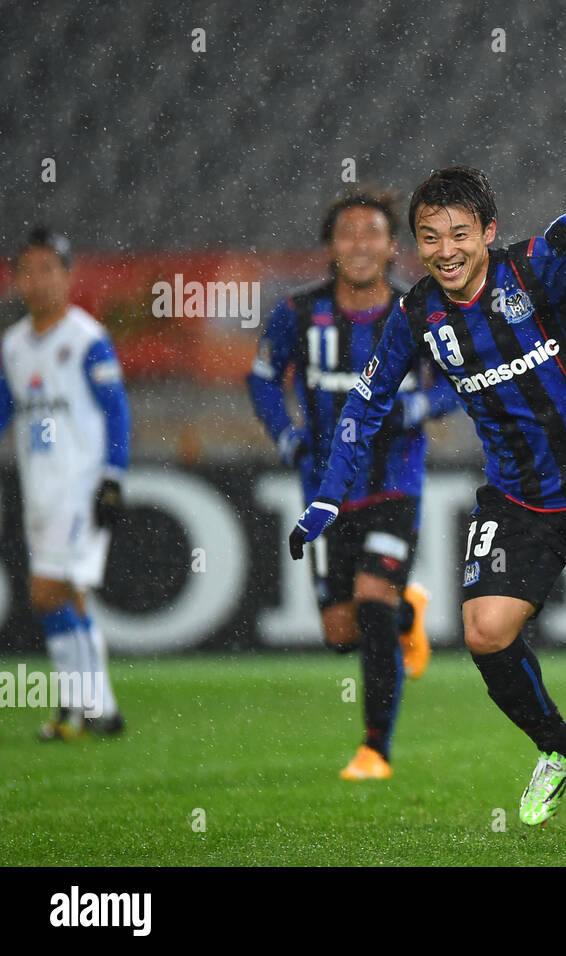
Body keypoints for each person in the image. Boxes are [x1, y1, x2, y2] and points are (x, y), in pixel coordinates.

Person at [289, 166, 566, 831]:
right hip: (516, 500)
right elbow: (368, 400)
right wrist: (326, 497)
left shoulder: (536, 268)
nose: (446, 249)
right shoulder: (419, 311)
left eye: (460, 233)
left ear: (488, 231)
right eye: (430, 237)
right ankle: (559, 746)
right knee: (485, 633)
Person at [247, 188, 457, 780]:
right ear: (331, 246)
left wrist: (419, 407)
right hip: (324, 489)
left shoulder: (419, 312)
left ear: (394, 246)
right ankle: (407, 617)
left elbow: (459, 378)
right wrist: (286, 436)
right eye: (348, 233)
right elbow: (263, 378)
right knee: (342, 633)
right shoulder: (297, 314)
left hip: (395, 482)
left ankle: (375, 750)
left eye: (373, 233)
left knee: (371, 600)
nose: (360, 243)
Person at [0, 228, 128, 740]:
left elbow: (117, 409)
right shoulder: (12, 346)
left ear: (68, 275)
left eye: (48, 267)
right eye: (27, 269)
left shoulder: (85, 338)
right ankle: (99, 710)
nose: (37, 279)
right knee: (71, 598)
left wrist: (113, 478)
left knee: (47, 593)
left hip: (79, 486)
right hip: (39, 488)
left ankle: (80, 707)